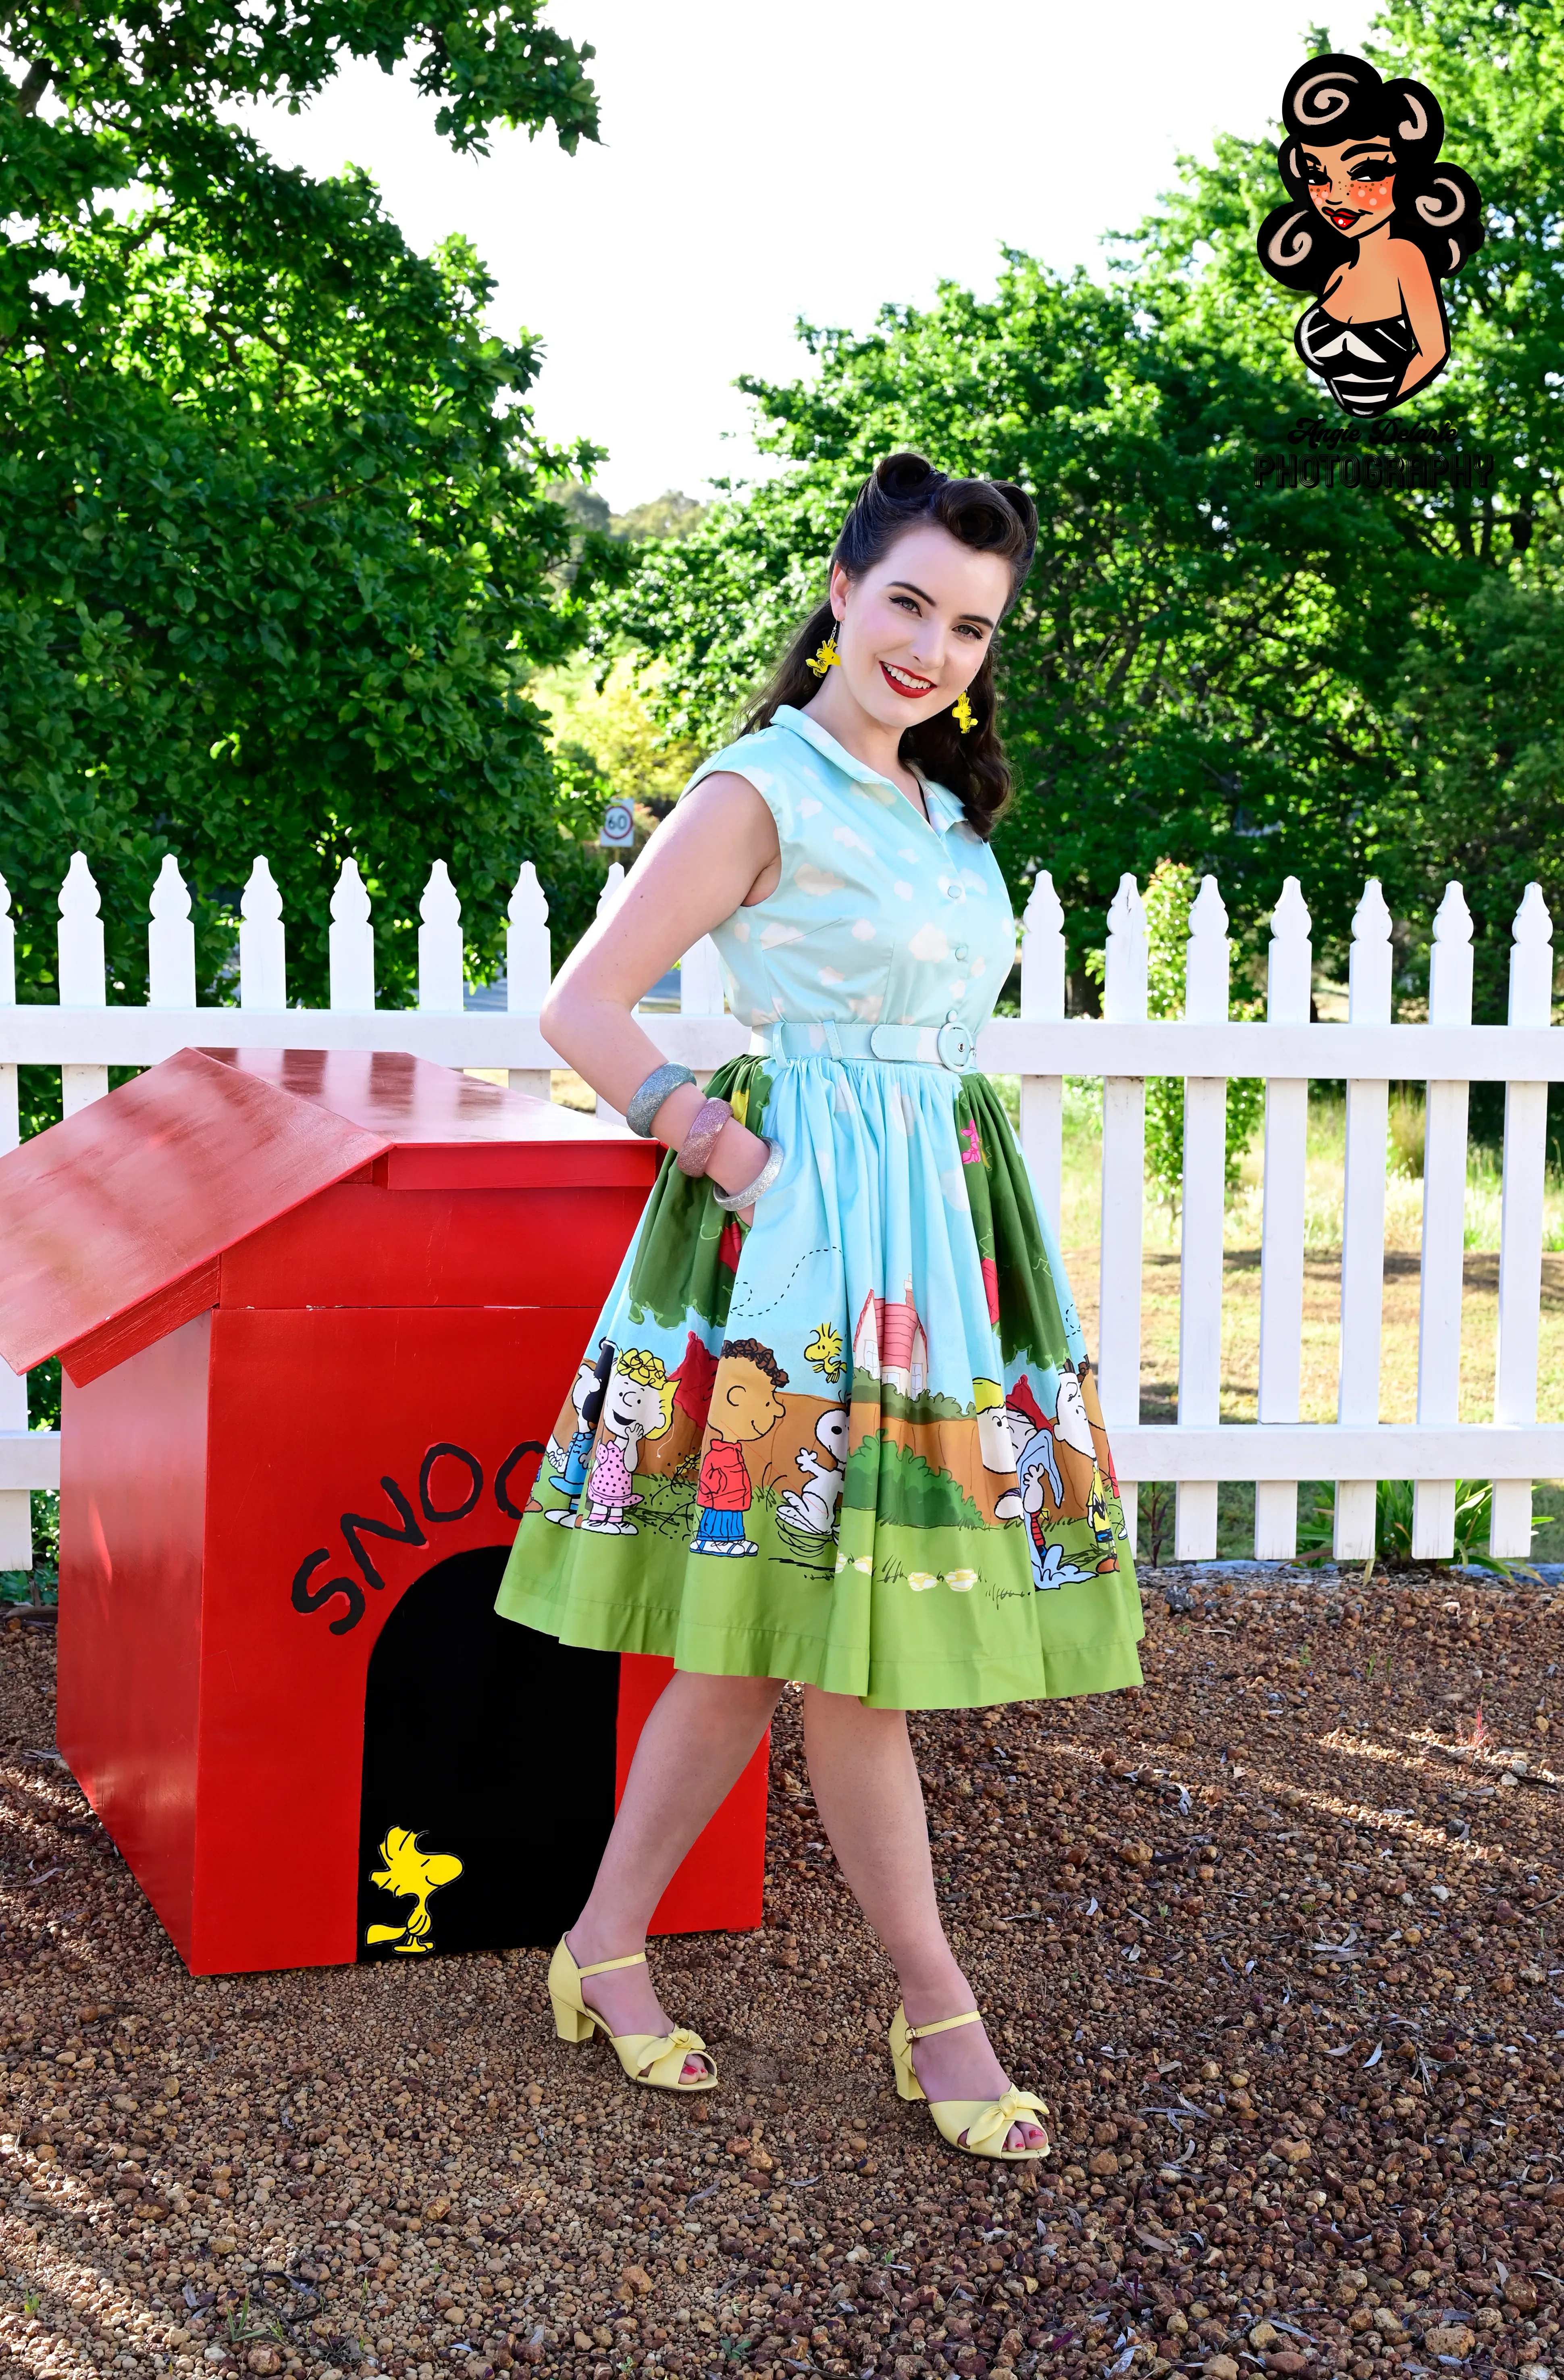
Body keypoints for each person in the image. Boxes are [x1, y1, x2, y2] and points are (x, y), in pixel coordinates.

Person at [497, 453, 1144, 2157]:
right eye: (909, 603)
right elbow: (585, 1004)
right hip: (803, 1258)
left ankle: (601, 1948)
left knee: (766, 1640)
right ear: (843, 595)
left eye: (971, 626)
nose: (932, 648)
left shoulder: (942, 812)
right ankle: (937, 2011)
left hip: (932, 1244)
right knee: (846, 1652)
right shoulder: (757, 790)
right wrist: (717, 1144)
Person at [1256, 51, 1483, 417]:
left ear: (1405, 175)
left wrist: (1383, 403)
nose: (1334, 194)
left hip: (1393, 437)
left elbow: (1434, 351)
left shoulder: (1405, 257)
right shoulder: (1335, 274)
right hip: (1334, 444)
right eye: (1317, 175)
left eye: (1365, 171)